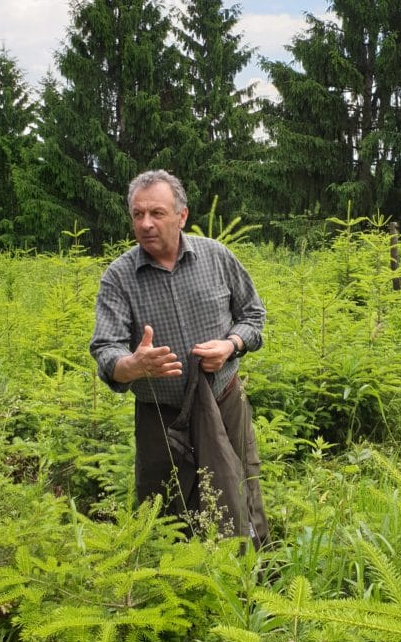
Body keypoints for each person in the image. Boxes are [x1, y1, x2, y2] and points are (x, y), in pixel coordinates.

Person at [89, 169, 269, 546]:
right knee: (166, 509)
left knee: (240, 492)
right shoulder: (119, 277)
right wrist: (132, 367)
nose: (146, 223)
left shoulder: (217, 257)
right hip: (161, 417)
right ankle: (177, 589)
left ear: (182, 216)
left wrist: (231, 345)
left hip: (224, 403)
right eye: (138, 214)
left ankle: (252, 579)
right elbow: (106, 349)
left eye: (157, 213)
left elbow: (253, 316)